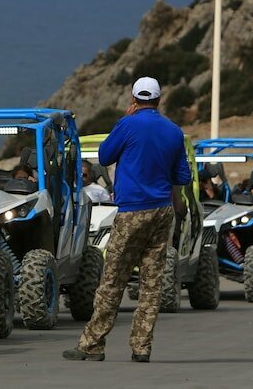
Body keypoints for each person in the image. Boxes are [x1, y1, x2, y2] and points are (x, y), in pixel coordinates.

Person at [63, 77, 191, 363]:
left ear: (134, 98)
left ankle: (92, 345)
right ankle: (141, 347)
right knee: (151, 281)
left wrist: (124, 120)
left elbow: (105, 156)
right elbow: (182, 175)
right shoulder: (174, 131)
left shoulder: (127, 124)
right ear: (159, 100)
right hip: (162, 211)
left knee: (113, 279)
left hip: (132, 209)